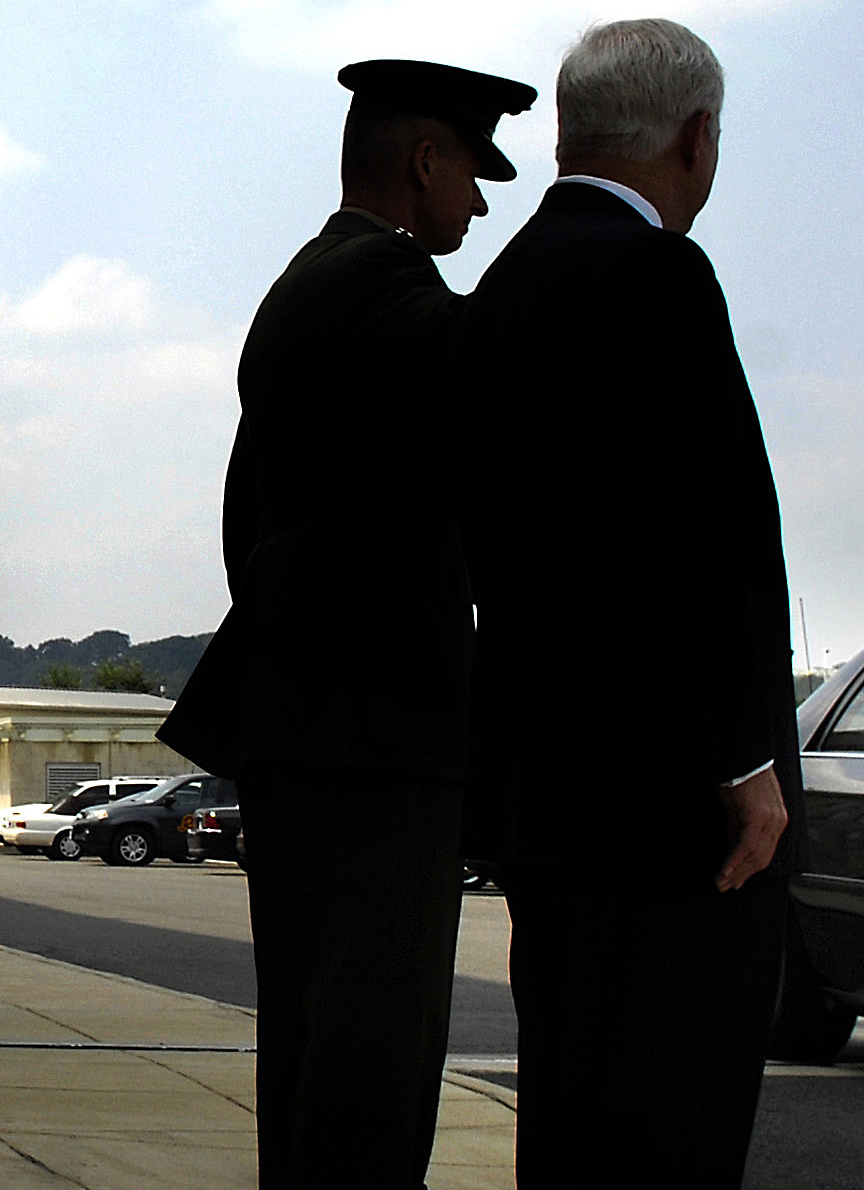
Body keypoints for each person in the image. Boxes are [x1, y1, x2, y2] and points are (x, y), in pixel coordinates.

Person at [157, 59, 536, 1190]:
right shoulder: (387, 293)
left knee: (314, 1050)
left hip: (309, 726)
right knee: (377, 1060)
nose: (477, 207)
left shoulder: (305, 290)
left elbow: (250, 520)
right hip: (377, 738)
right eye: (471, 177)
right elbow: (507, 391)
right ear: (424, 161)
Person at [455, 19, 802, 1188]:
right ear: (697, 137)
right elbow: (690, 538)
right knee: (672, 1115)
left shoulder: (498, 293)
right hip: (668, 808)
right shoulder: (658, 275)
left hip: (550, 792)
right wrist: (743, 758)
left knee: (573, 1109)